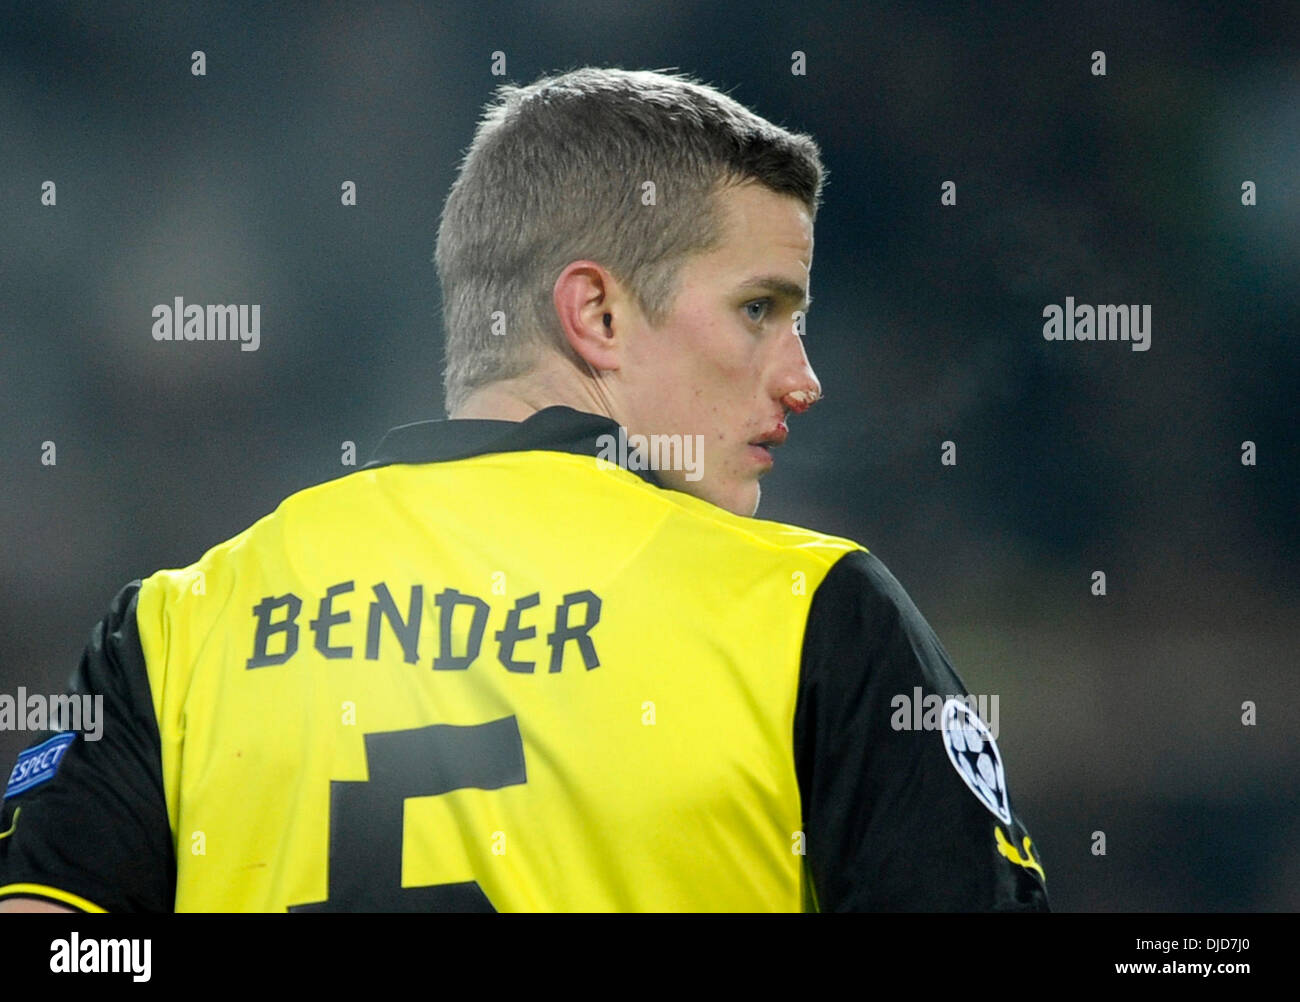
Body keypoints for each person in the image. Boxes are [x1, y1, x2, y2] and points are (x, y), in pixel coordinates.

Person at [0, 67, 1048, 912]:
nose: (802, 378)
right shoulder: (817, 615)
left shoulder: (175, 630)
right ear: (594, 314)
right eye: (760, 310)